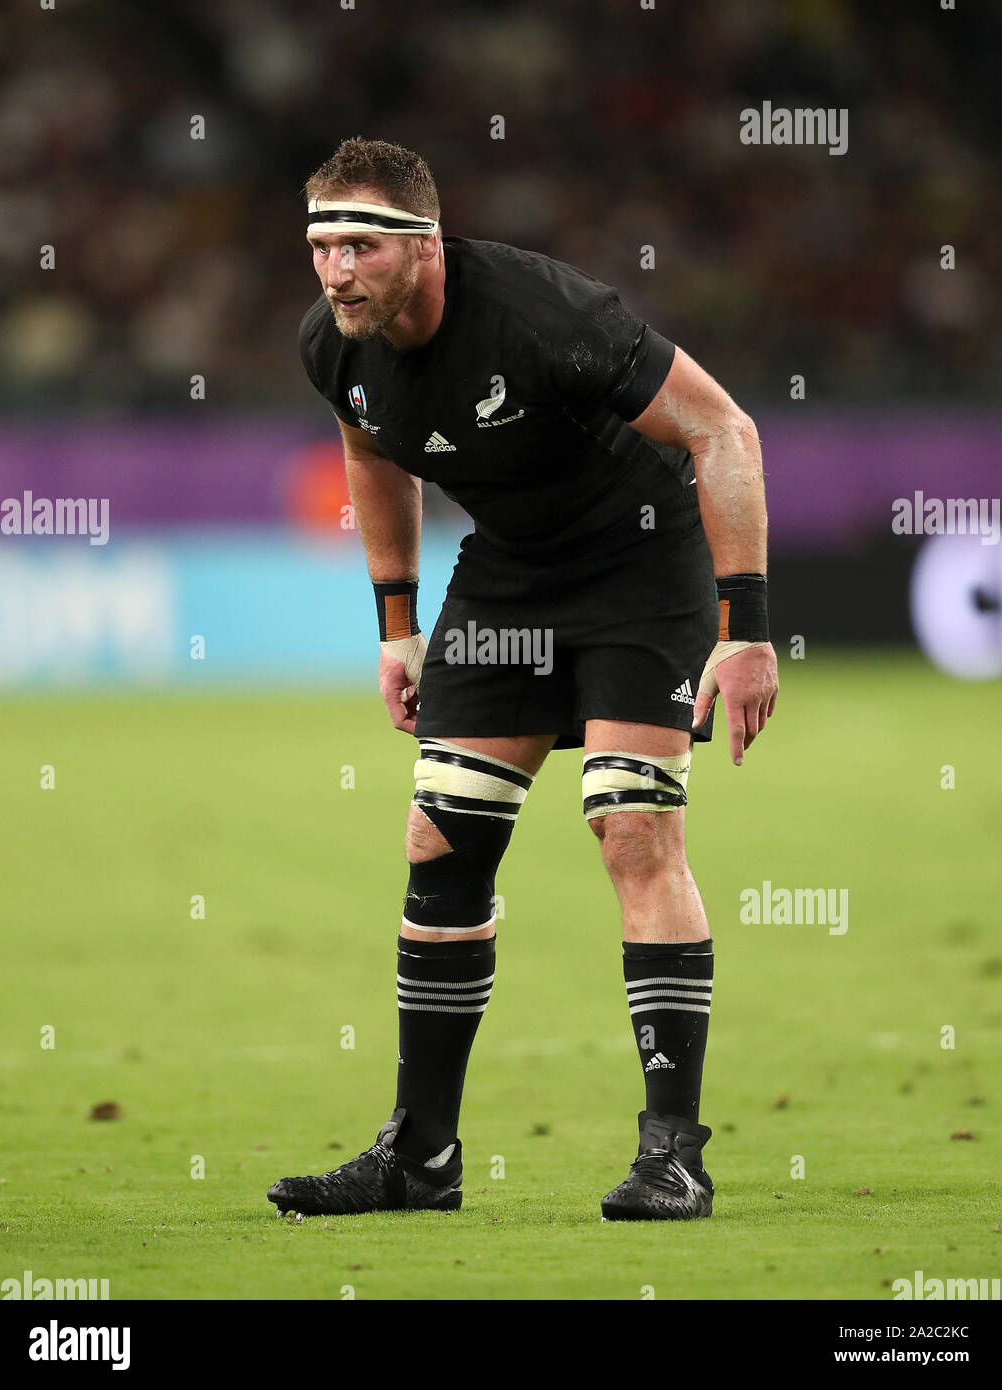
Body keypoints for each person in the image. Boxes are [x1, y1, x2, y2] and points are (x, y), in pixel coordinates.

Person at [268, 137, 777, 1222]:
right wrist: (396, 626)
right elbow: (370, 446)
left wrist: (748, 627)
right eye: (320, 246)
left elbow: (720, 429)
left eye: (359, 244)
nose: (336, 271)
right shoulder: (334, 345)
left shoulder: (545, 315)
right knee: (439, 836)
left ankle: (671, 1152)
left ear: (425, 244)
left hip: (640, 565)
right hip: (508, 580)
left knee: (630, 825)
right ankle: (420, 1157)